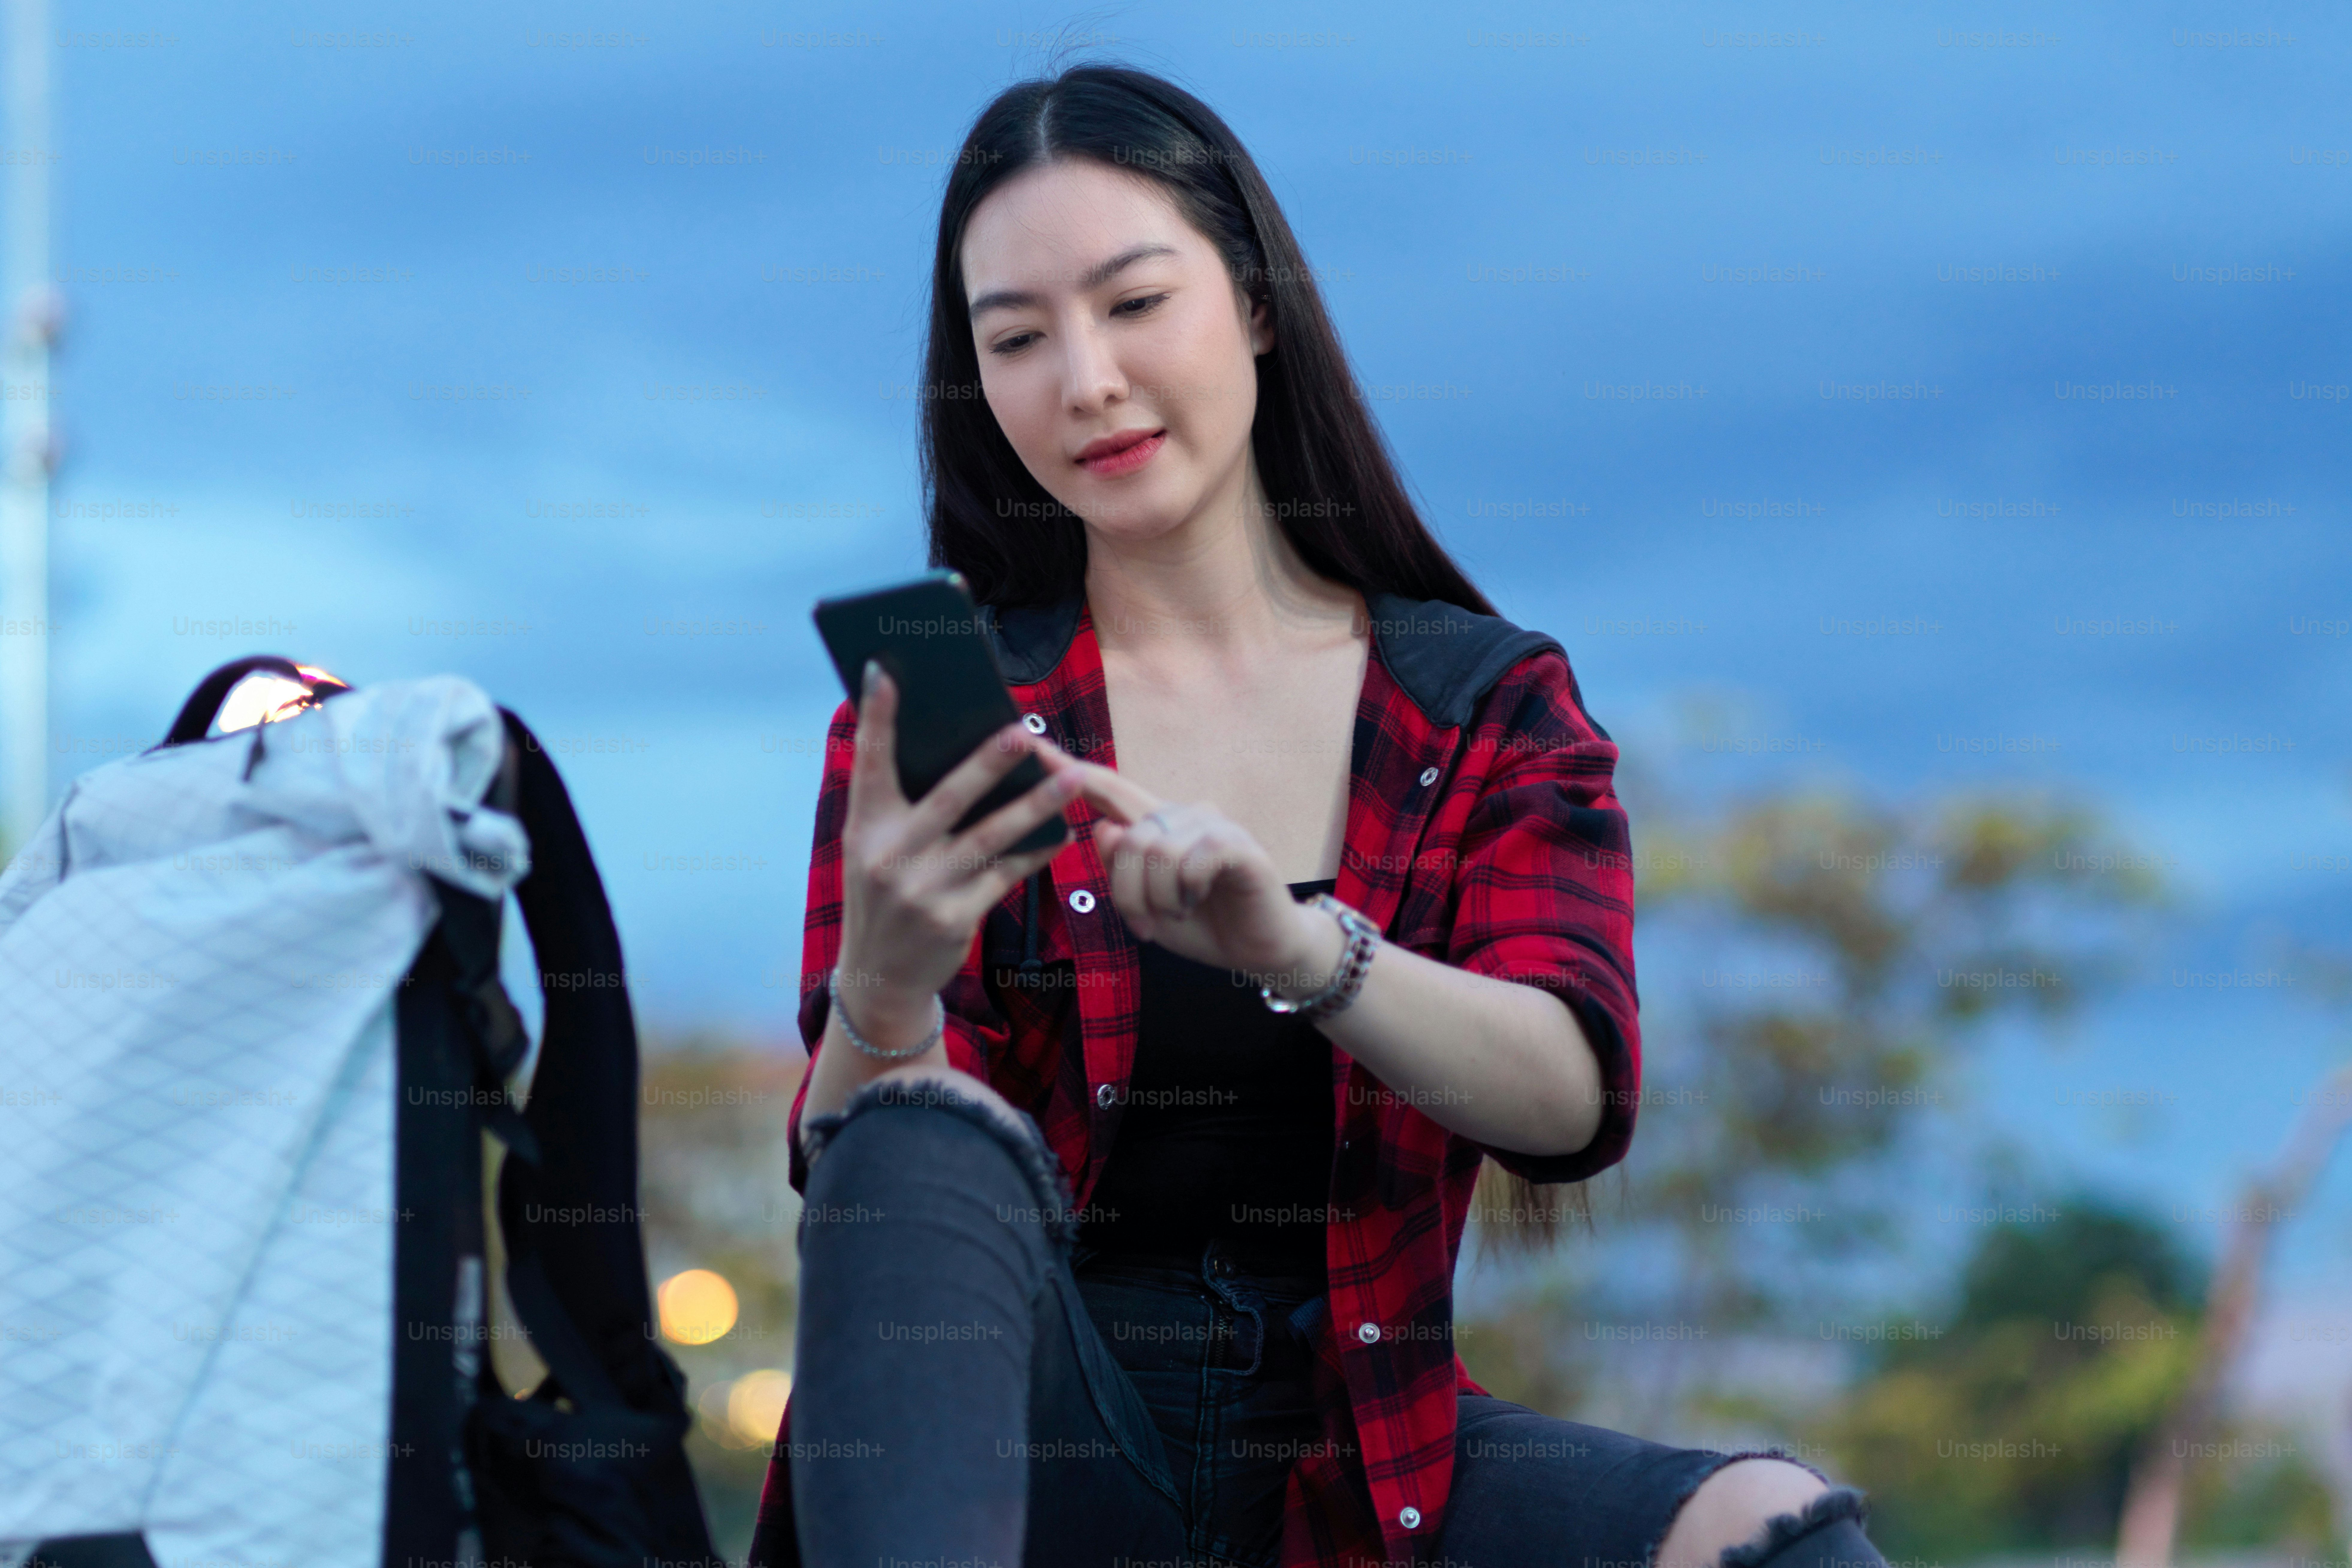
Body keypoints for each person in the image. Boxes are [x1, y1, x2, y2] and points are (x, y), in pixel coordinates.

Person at [746, 64, 1892, 1568]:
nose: (1082, 379)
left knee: (1772, 1526)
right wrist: (886, 984)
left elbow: (1572, 1095)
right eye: (1014, 338)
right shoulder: (945, 722)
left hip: (1366, 1441)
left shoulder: (1482, 704)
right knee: (924, 1147)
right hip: (1035, 1460)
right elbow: (883, 1218)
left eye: (1134, 303)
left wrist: (1300, 947)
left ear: (1259, 307)